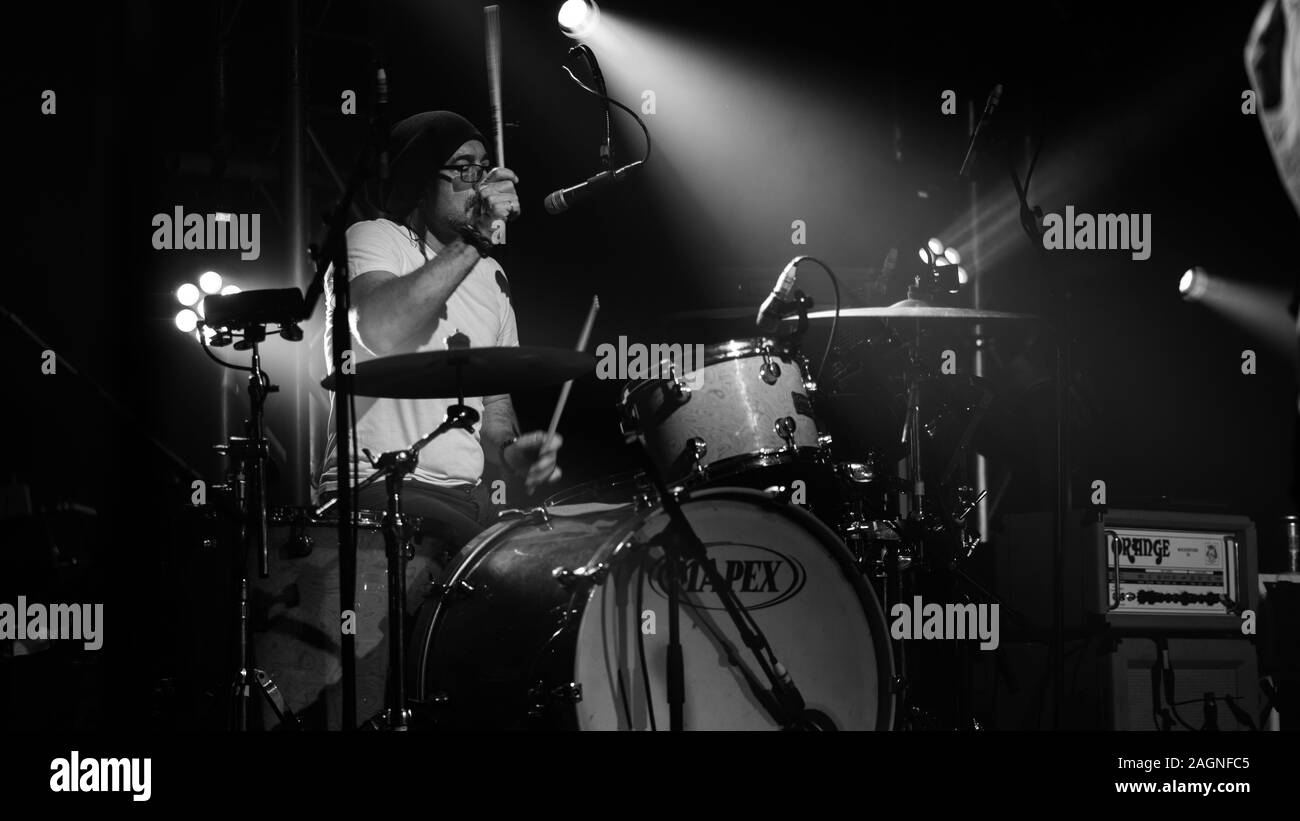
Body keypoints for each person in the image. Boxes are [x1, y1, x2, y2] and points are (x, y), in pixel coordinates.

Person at [317, 110, 563, 554]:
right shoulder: (374, 238)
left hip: (462, 501)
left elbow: (494, 406)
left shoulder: (492, 276)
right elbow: (380, 327)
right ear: (420, 178)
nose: (479, 181)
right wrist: (480, 233)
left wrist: (512, 452)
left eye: (484, 168)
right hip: (375, 488)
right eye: (463, 168)